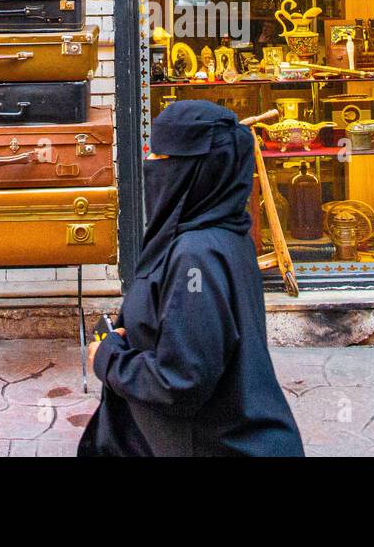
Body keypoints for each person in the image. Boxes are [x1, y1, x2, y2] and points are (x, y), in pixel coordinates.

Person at [77, 100, 305, 457]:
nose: (151, 164)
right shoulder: (226, 233)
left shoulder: (196, 256)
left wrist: (107, 358)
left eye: (161, 158)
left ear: (194, 172)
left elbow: (182, 381)